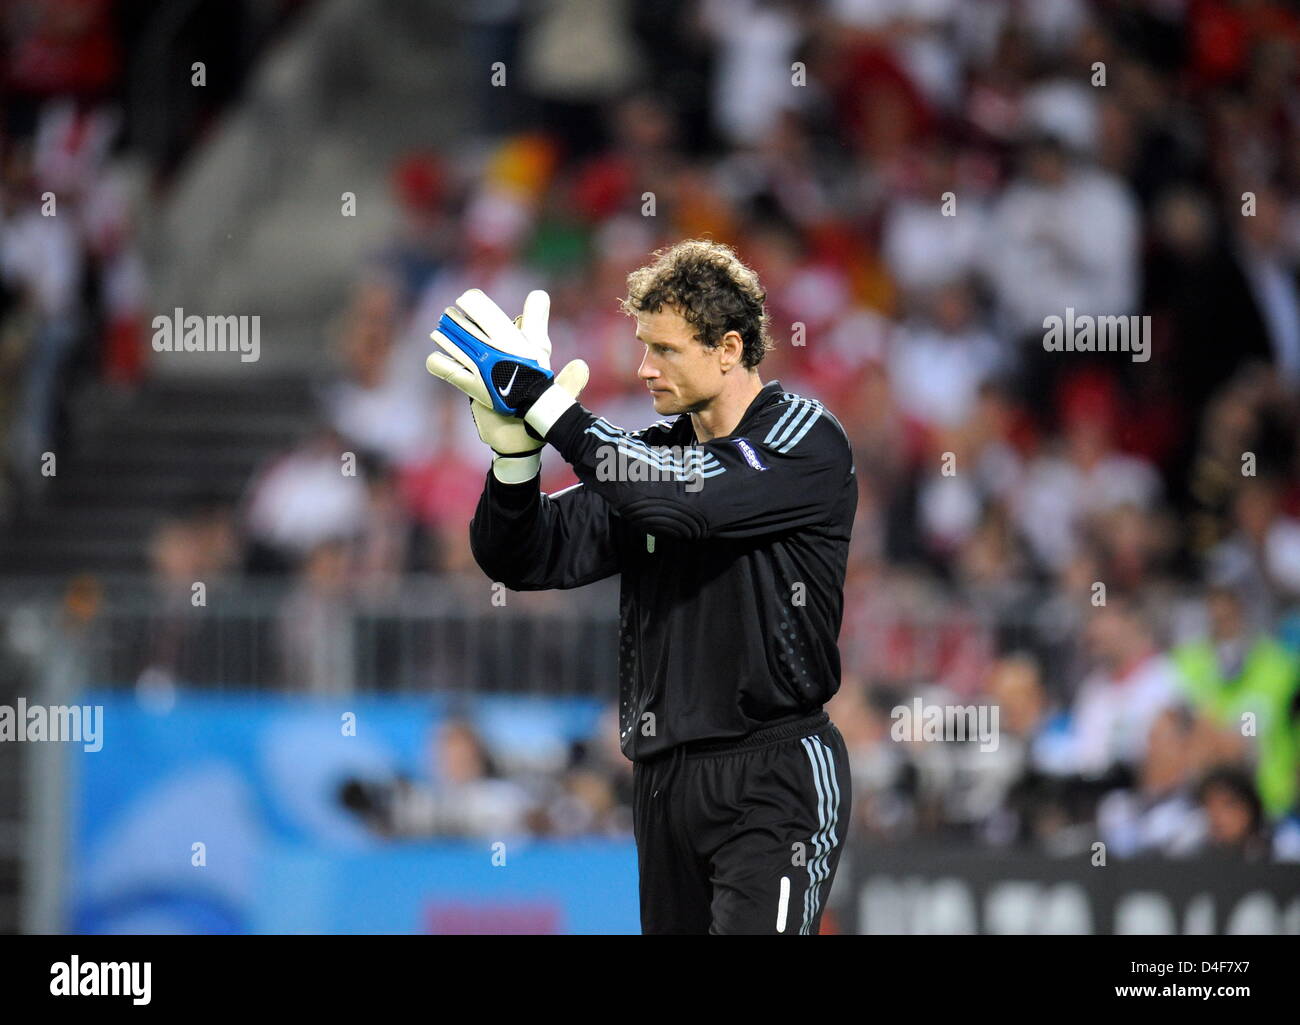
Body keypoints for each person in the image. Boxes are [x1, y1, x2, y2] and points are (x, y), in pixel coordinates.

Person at [430, 239, 857, 934]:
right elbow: (526, 555)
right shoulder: (653, 458)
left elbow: (683, 502)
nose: (643, 367)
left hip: (773, 775)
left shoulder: (806, 439)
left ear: (727, 348)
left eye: (664, 349)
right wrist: (515, 459)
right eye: (642, 345)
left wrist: (552, 407)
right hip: (664, 780)